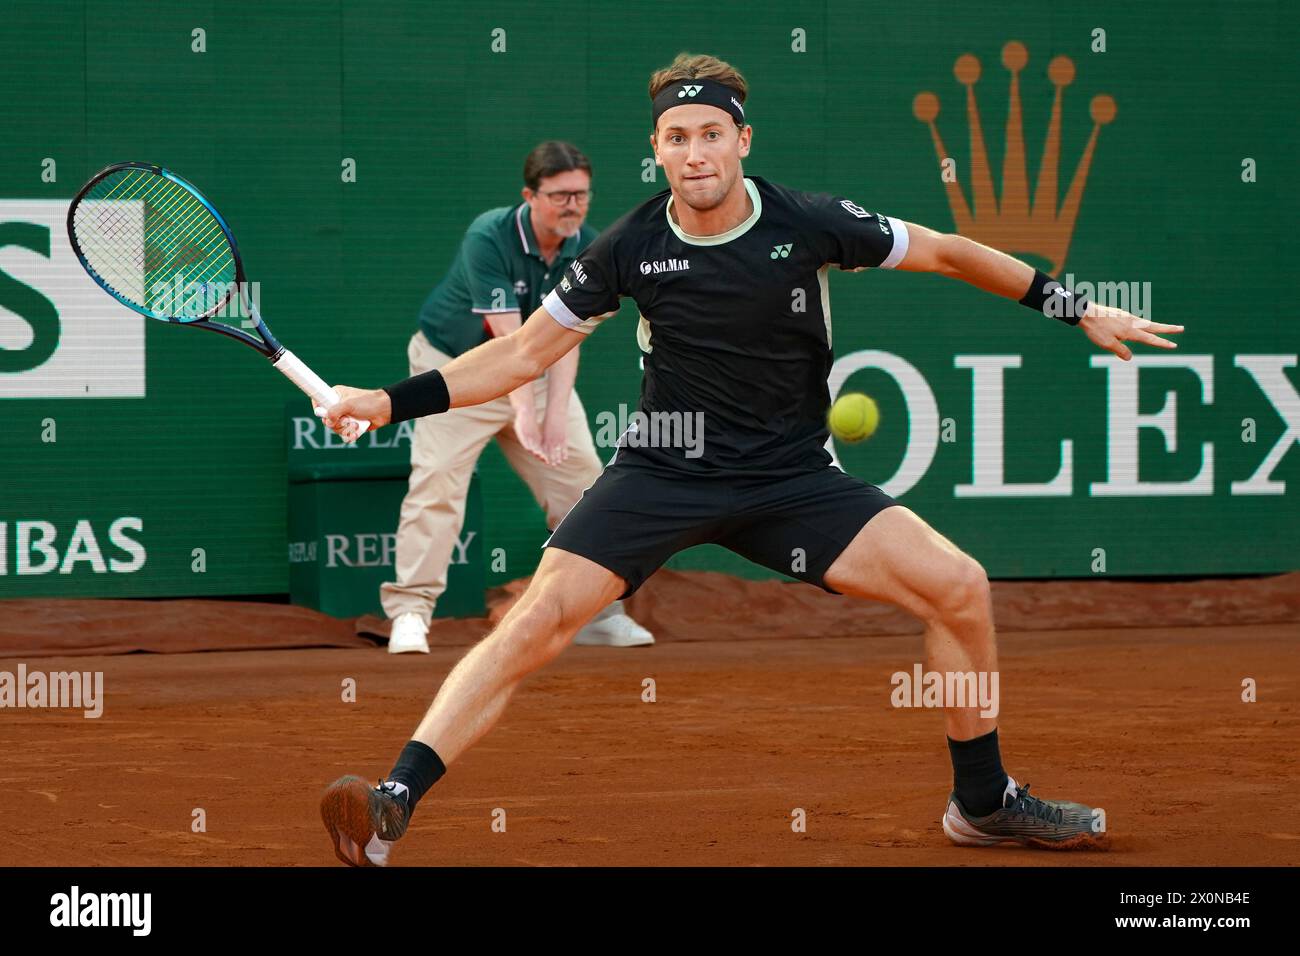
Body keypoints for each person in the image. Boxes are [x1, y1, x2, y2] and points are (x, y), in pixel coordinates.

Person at [316, 53, 1182, 865]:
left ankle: (983, 802)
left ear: (742, 141)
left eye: (711, 134)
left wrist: (1071, 305)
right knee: (535, 623)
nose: (695, 154)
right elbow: (517, 356)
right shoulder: (627, 245)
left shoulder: (812, 223)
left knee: (958, 585)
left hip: (792, 481)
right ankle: (393, 802)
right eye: (677, 138)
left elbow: (951, 252)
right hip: (662, 472)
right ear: (655, 150)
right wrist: (387, 401)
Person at [380, 141, 653, 653]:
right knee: (437, 484)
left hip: (541, 372)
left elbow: (567, 340)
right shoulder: (489, 236)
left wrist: (553, 417)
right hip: (457, 372)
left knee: (585, 488)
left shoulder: (589, 247)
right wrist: (526, 413)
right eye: (560, 195)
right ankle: (411, 612)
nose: (573, 205)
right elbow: (511, 347)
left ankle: (596, 611)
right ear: (530, 195)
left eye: (581, 194)